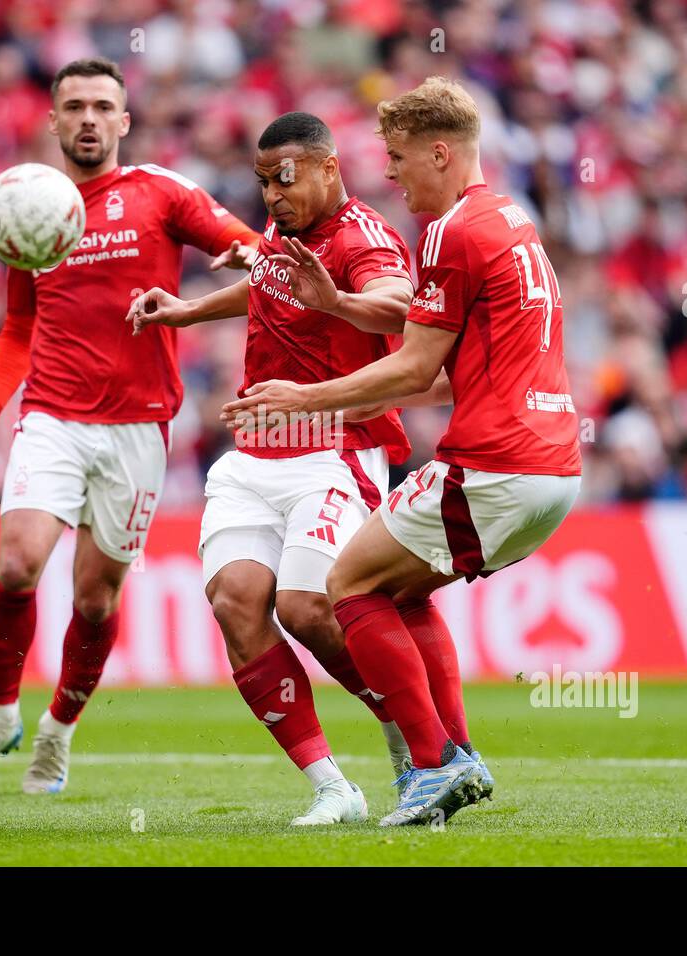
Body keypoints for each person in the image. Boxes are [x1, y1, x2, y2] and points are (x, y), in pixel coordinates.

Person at [222, 78, 583, 826]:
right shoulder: (513, 220)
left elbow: (414, 366)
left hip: (496, 460)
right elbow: (447, 376)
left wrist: (304, 397)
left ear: (440, 152)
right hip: (553, 465)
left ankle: (433, 764)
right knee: (401, 588)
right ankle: (454, 755)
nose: (389, 174)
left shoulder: (450, 231)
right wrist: (347, 356)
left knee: (345, 585)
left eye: (398, 158)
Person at [0, 57, 260, 794]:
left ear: (123, 120)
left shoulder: (160, 193)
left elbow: (241, 245)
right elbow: (21, 323)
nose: (88, 118)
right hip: (51, 414)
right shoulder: (28, 204)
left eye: (102, 106)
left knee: (95, 599)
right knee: (17, 563)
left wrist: (247, 253)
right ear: (53, 120)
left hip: (138, 426)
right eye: (74, 106)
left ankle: (57, 730)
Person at [128, 112, 415, 825]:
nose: (271, 195)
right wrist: (187, 311)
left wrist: (337, 302)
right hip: (256, 451)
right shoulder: (284, 239)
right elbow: (264, 284)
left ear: (327, 168)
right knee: (235, 603)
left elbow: (398, 309)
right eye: (262, 181)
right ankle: (332, 789)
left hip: (337, 447)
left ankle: (413, 740)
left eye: (284, 177)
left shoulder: (363, 237)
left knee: (305, 606)